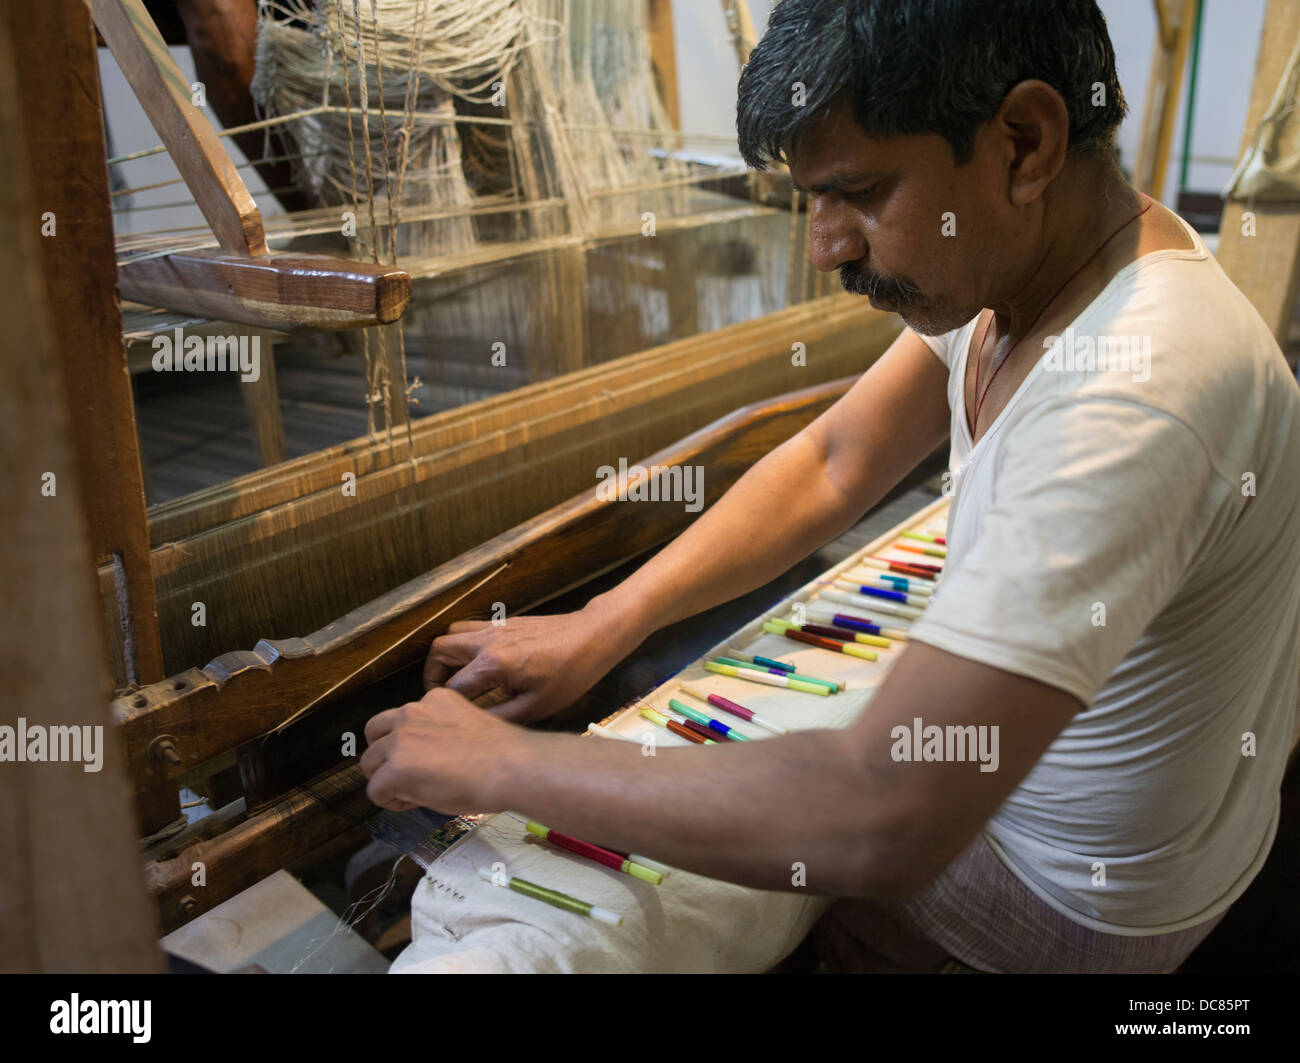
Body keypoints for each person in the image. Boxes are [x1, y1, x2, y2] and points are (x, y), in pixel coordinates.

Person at [360, 0, 1300, 972]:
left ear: (1024, 142)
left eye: (857, 191)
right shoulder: (1033, 265)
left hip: (1070, 904)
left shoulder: (1134, 389)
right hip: (1132, 834)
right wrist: (606, 621)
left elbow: (883, 817)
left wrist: (505, 765)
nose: (824, 247)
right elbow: (834, 461)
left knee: (595, 907)